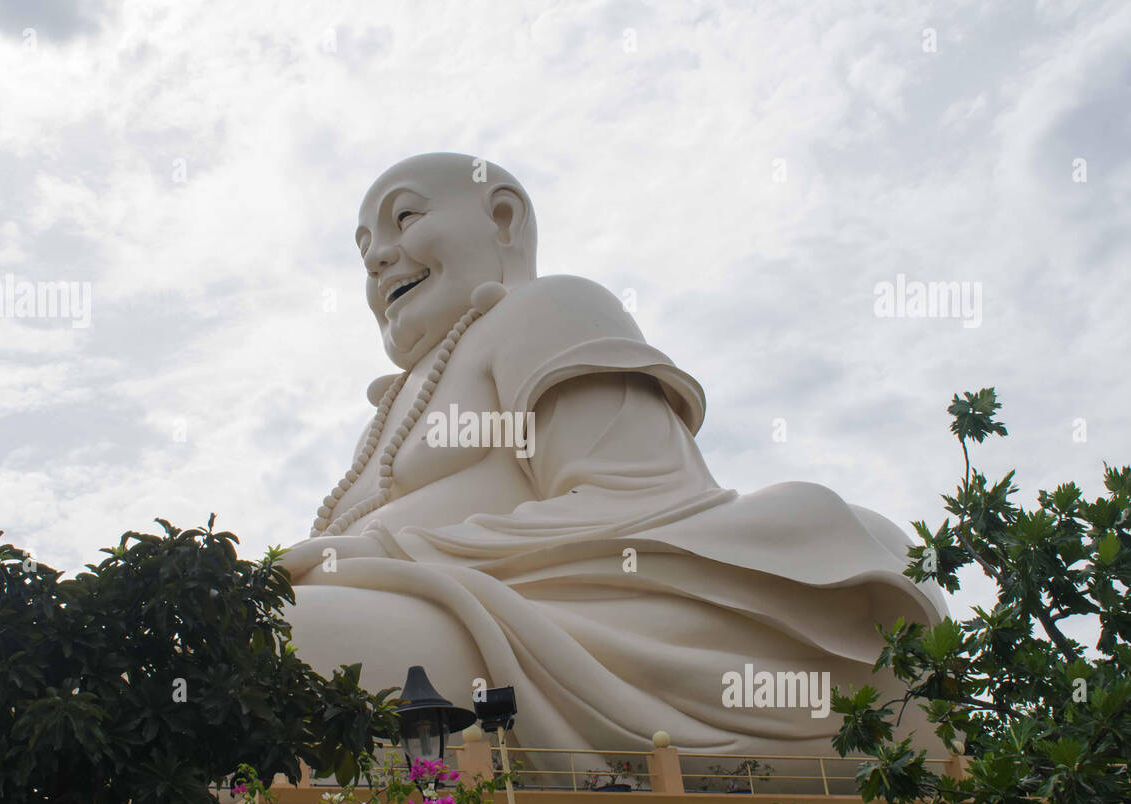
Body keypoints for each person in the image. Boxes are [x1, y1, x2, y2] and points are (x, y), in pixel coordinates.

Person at [278, 152, 948, 766]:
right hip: (454, 612)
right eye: (365, 248)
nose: (379, 259)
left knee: (283, 642)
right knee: (239, 644)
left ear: (502, 218)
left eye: (405, 218)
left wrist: (395, 554)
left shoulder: (549, 307)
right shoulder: (397, 404)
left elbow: (640, 504)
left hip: (576, 626)